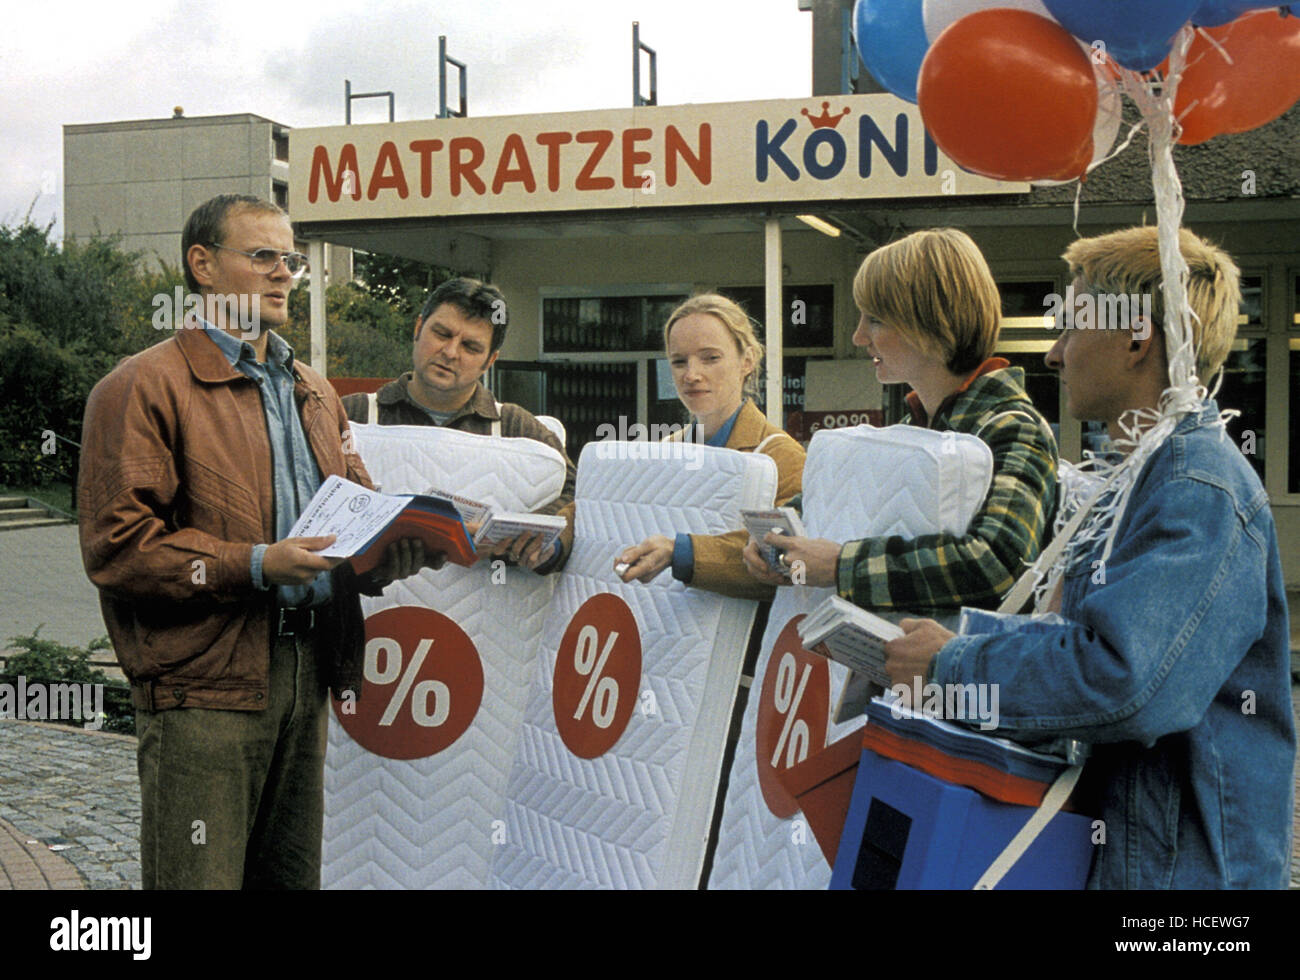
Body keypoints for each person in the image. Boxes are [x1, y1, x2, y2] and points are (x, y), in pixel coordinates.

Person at [882, 226, 1294, 888]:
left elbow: (1121, 680)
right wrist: (954, 650)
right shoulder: (1144, 475)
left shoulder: (1195, 488)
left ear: (1137, 338)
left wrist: (953, 664)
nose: (1053, 354)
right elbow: (1084, 647)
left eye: (1071, 327)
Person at [78, 193, 428, 889]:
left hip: (309, 669)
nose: (285, 274)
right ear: (202, 265)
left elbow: (352, 510)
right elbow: (119, 548)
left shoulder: (314, 391)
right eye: (263, 256)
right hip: (204, 686)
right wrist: (259, 564)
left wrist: (393, 547)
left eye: (291, 259)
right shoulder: (139, 386)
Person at [743, 228, 1058, 615]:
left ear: (930, 322)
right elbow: (838, 501)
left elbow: (998, 563)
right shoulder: (917, 425)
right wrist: (774, 537)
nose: (859, 336)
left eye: (875, 319)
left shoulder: (1011, 427)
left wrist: (842, 567)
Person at [341, 277, 576, 573]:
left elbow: (580, 496)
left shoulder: (517, 425)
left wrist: (534, 542)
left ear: (490, 360)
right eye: (442, 333)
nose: (451, 352)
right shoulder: (350, 413)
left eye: (470, 346)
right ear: (418, 328)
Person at [616, 293, 805, 600]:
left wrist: (682, 552)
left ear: (747, 361)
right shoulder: (666, 449)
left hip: (743, 639)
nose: (691, 375)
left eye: (710, 358)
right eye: (679, 361)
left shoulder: (781, 455)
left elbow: (792, 563)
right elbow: (610, 506)